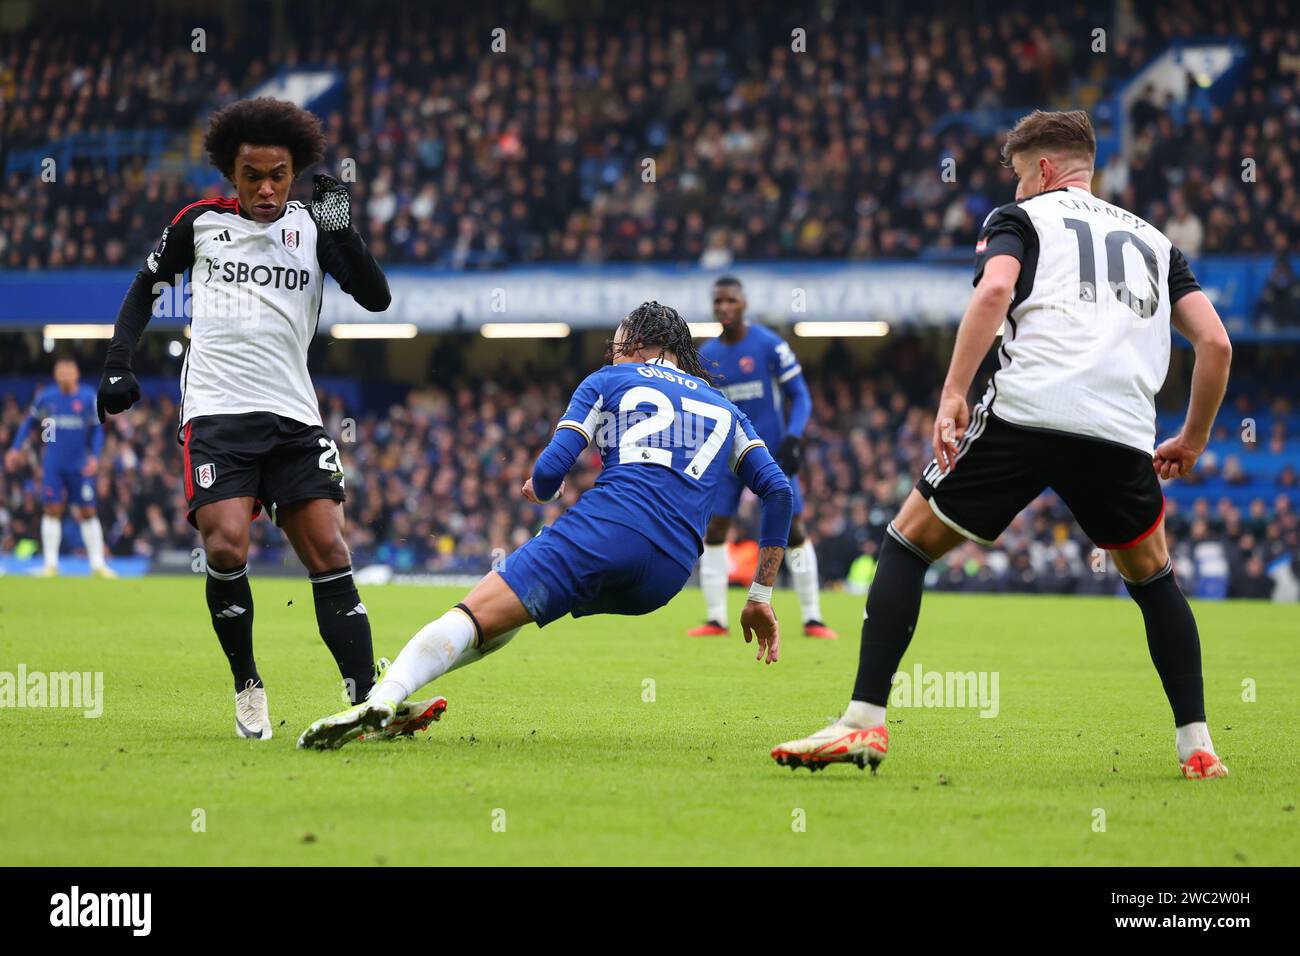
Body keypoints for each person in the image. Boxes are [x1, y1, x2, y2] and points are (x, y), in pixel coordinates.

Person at [772, 110, 1233, 780]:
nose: (1016, 189)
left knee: (905, 541)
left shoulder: (1022, 217)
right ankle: (1198, 747)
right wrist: (1191, 439)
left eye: (1020, 177)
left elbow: (994, 290)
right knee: (1154, 579)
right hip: (1120, 432)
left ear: (1043, 171)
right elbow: (1215, 344)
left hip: (1028, 411)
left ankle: (863, 723)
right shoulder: (1158, 245)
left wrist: (954, 392)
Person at [298, 302, 793, 750]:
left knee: (477, 608)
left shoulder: (607, 380)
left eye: (617, 343)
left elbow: (552, 470)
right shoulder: (727, 411)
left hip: (609, 530)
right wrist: (759, 596)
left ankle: (382, 698)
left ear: (638, 345)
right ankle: (405, 686)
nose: (612, 352)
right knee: (516, 607)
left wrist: (542, 487)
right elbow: (779, 492)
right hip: (667, 574)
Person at [95, 97, 435, 742]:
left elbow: (376, 295)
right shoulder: (197, 223)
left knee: (330, 551)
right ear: (232, 172)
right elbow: (144, 286)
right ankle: (247, 682)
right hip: (218, 413)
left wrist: (343, 230)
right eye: (253, 174)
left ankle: (364, 697)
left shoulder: (313, 223)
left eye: (278, 174)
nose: (267, 187)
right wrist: (118, 363)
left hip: (293, 418)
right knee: (225, 544)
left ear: (294, 170)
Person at [689, 276, 836, 639]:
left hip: (768, 452)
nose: (724, 307)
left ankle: (813, 618)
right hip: (726, 454)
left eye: (730, 301)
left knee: (796, 527)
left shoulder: (770, 345)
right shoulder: (706, 355)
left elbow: (800, 395)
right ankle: (716, 618)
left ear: (744, 304)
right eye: (718, 302)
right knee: (717, 528)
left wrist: (793, 438)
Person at [4, 354, 113, 577]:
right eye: (61, 371)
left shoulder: (87, 397)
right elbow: (28, 424)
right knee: (52, 509)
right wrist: (15, 448)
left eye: (68, 371)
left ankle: (97, 564)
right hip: (53, 464)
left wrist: (95, 457)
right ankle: (50, 564)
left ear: (76, 374)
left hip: (80, 464)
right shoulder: (46, 398)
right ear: (55, 374)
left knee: (88, 510)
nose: (64, 375)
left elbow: (97, 430)